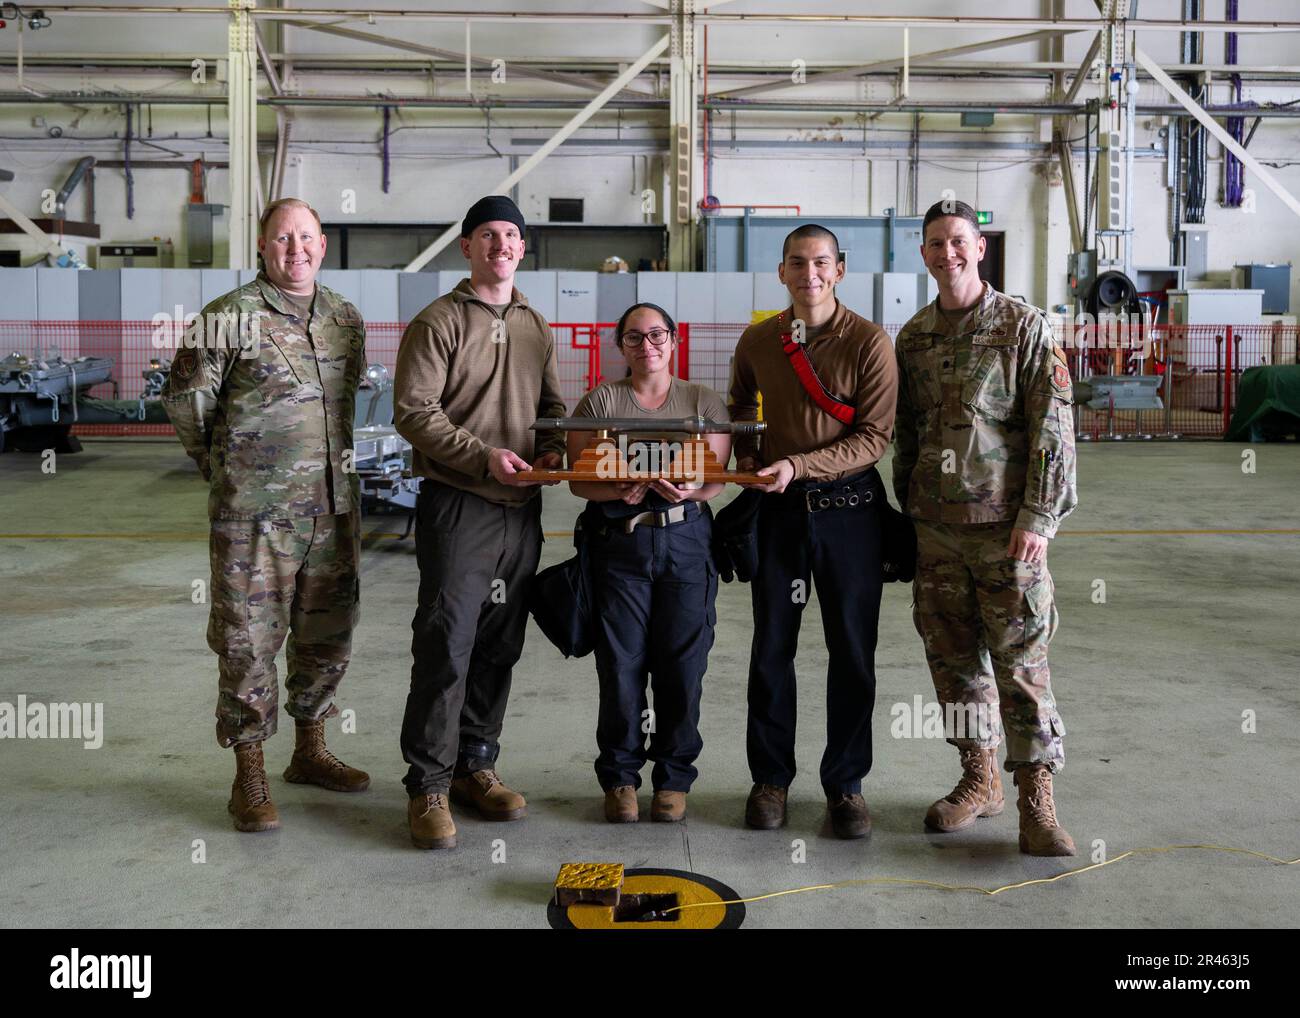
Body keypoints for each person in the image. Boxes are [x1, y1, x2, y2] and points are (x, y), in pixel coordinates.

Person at [161, 197, 369, 833]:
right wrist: (225, 467)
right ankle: (248, 772)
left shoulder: (344, 318)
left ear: (323, 244)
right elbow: (186, 402)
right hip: (254, 517)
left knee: (327, 632)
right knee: (247, 641)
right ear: (262, 245)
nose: (295, 249)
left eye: (306, 237)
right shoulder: (228, 317)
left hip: (333, 510)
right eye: (282, 238)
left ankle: (310, 751)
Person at [893, 198, 1078, 856]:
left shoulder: (1023, 326)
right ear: (923, 253)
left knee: (1021, 665)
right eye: (935, 243)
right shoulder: (914, 337)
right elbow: (908, 434)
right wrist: (910, 510)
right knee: (953, 663)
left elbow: (1053, 428)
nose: (947, 253)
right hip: (937, 530)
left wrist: (1039, 516)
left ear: (979, 248)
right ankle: (979, 780)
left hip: (1006, 530)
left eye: (958, 241)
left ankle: (1036, 801)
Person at [394, 195, 565, 850]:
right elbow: (415, 412)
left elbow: (553, 409)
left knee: (500, 643)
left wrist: (552, 452)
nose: (501, 244)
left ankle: (475, 765)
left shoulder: (535, 325)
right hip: (459, 503)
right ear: (467, 247)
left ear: (523, 247)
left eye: (511, 234)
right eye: (488, 234)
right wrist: (483, 457)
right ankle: (428, 785)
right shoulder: (439, 321)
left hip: (522, 509)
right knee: (447, 643)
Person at [727, 224, 898, 839]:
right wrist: (750, 456)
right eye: (797, 263)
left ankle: (846, 786)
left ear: (840, 270)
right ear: (782, 272)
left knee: (851, 652)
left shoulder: (870, 342)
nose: (810, 274)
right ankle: (770, 780)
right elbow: (740, 405)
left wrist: (797, 464)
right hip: (779, 515)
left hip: (851, 514)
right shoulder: (759, 340)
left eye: (821, 262)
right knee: (772, 648)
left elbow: (874, 437)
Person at [567, 303, 730, 824]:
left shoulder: (702, 401)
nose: (647, 345)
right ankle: (620, 777)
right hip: (621, 544)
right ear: (621, 345)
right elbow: (578, 481)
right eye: (634, 337)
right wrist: (617, 488)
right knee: (621, 664)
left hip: (686, 541)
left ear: (673, 340)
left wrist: (690, 489)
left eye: (657, 334)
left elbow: (714, 478)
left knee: (683, 664)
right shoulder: (601, 402)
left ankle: (674, 778)